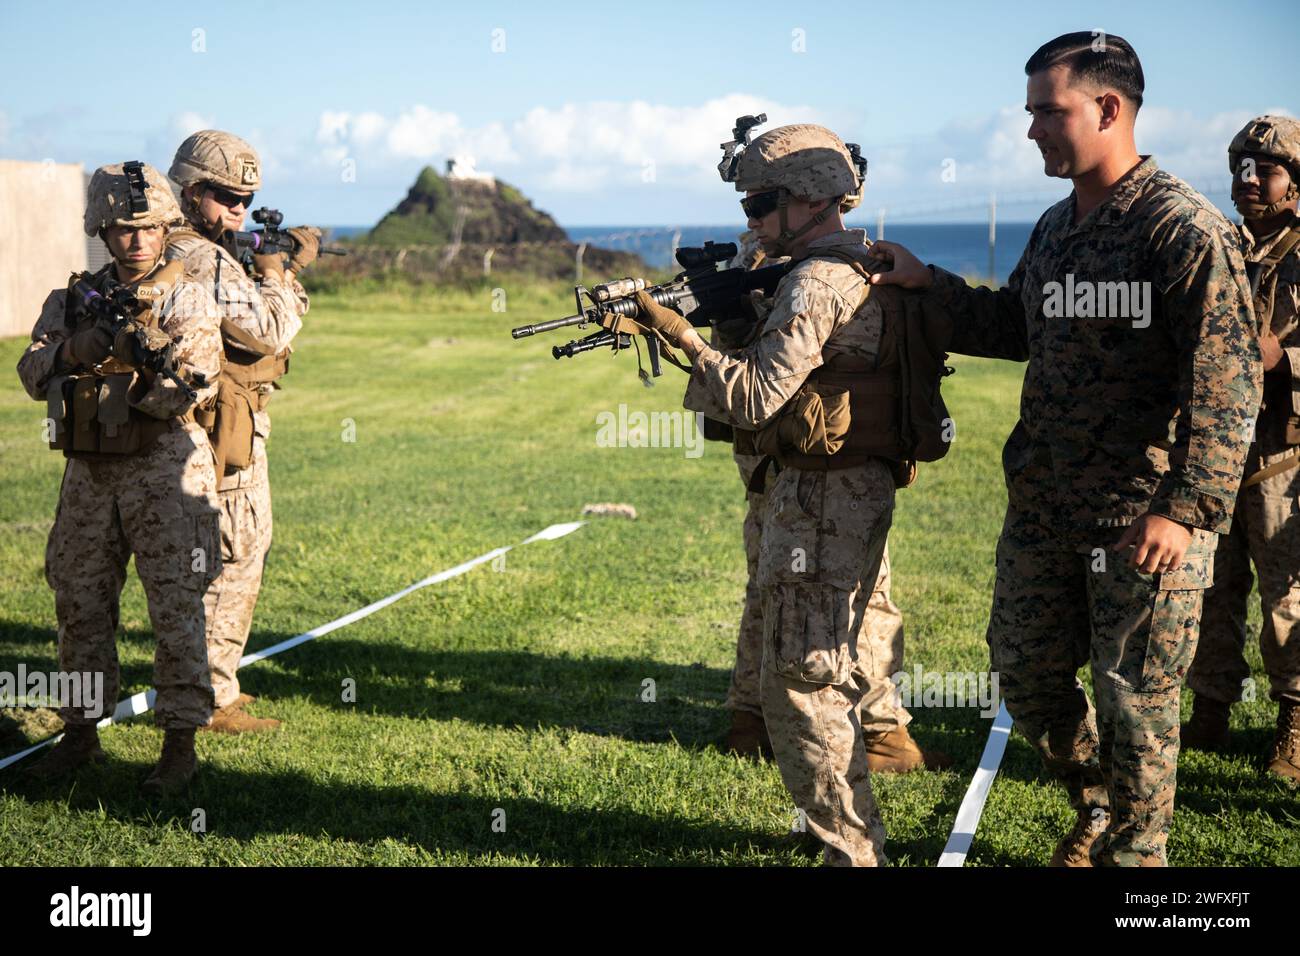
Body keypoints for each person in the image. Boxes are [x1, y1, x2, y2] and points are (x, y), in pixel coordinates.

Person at [867, 33, 1261, 864]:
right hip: (1045, 507)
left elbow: (1228, 385)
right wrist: (928, 282)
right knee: (1028, 676)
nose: (1032, 130)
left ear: (1108, 108)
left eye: (1049, 112)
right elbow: (1016, 326)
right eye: (1032, 113)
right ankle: (1095, 805)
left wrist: (1184, 510)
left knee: (1136, 704)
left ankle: (1136, 859)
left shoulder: (1183, 228)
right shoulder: (1055, 227)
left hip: (1142, 516)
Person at [627, 122, 926, 865]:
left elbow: (757, 396)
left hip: (822, 501)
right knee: (819, 663)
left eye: (761, 204)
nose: (751, 219)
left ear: (811, 200)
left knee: (804, 680)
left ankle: (850, 850)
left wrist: (684, 339)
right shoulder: (851, 264)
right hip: (839, 488)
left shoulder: (814, 281)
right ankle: (841, 832)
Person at [16, 162, 223, 795]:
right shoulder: (74, 300)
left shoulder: (188, 295)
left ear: (165, 229)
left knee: (176, 607)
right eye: (123, 229)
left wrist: (143, 362)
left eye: (149, 228)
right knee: (79, 602)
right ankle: (81, 735)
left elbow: (195, 383)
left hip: (164, 469)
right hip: (89, 474)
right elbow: (31, 373)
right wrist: (74, 350)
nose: (137, 240)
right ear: (102, 232)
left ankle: (180, 745)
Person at [165, 130, 317, 733]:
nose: (238, 210)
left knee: (226, 554)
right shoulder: (202, 258)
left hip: (215, 422)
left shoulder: (186, 247)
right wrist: (281, 272)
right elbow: (268, 331)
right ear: (191, 191)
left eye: (246, 200)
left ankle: (214, 685)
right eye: (226, 197)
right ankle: (209, 699)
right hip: (220, 430)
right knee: (232, 556)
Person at [1186, 115, 1300, 783]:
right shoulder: (1221, 245)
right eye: (1241, 169)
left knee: (1288, 596)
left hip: (1284, 458)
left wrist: (1283, 356)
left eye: (1267, 170)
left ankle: (1294, 723)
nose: (1249, 179)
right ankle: (1210, 708)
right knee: (1210, 588)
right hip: (1215, 451)